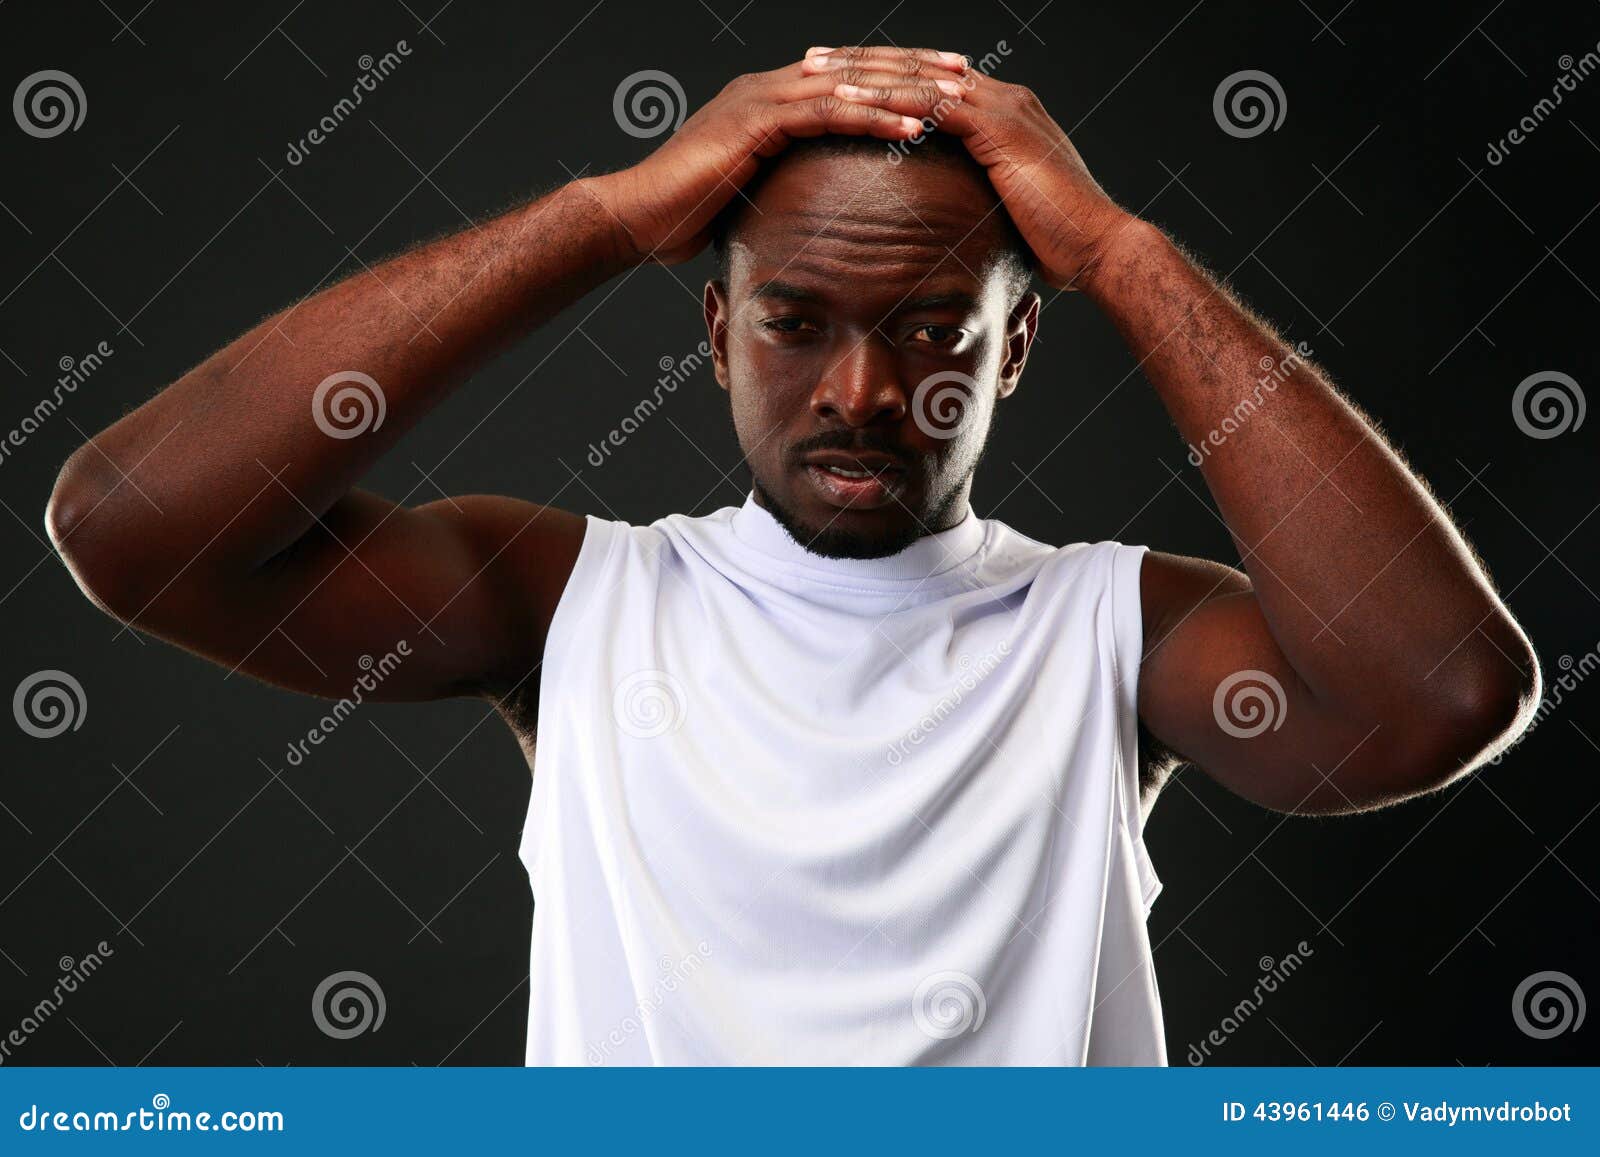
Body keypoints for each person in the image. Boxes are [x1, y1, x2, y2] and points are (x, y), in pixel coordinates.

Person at [46, 46, 1539, 1065]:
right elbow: (132, 526)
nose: (862, 394)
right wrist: (614, 215)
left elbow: (1444, 691)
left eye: (933, 330)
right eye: (794, 319)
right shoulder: (570, 600)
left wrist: (1122, 256)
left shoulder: (1113, 626)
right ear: (714, 331)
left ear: (1017, 349)